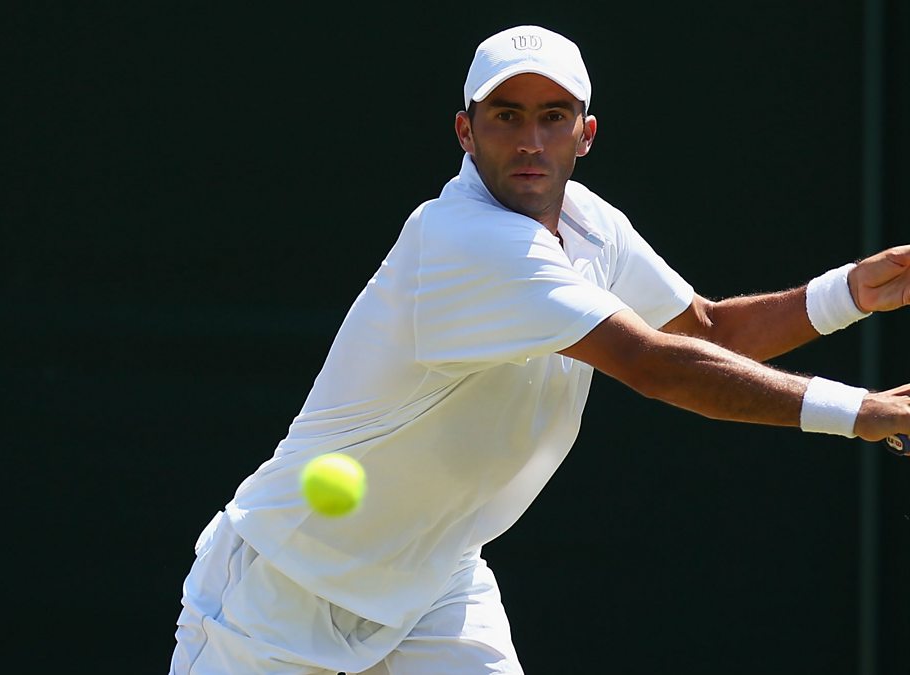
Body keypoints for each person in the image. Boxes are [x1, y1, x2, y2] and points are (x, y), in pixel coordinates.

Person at [169, 25, 910, 675]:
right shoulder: (464, 239)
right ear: (465, 131)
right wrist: (864, 411)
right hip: (282, 588)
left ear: (586, 134)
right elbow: (656, 365)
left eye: (553, 117)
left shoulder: (590, 225)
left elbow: (708, 332)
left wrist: (851, 291)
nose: (530, 141)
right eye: (506, 116)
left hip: (434, 580)